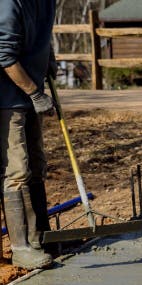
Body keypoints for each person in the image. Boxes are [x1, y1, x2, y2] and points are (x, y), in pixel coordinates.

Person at [0, 0, 56, 270]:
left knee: (37, 165)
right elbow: (4, 55)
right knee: (17, 171)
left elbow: (43, 34)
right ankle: (21, 248)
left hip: (32, 91)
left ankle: (41, 237)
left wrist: (50, 58)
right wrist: (34, 92)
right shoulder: (10, 3)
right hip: (7, 99)